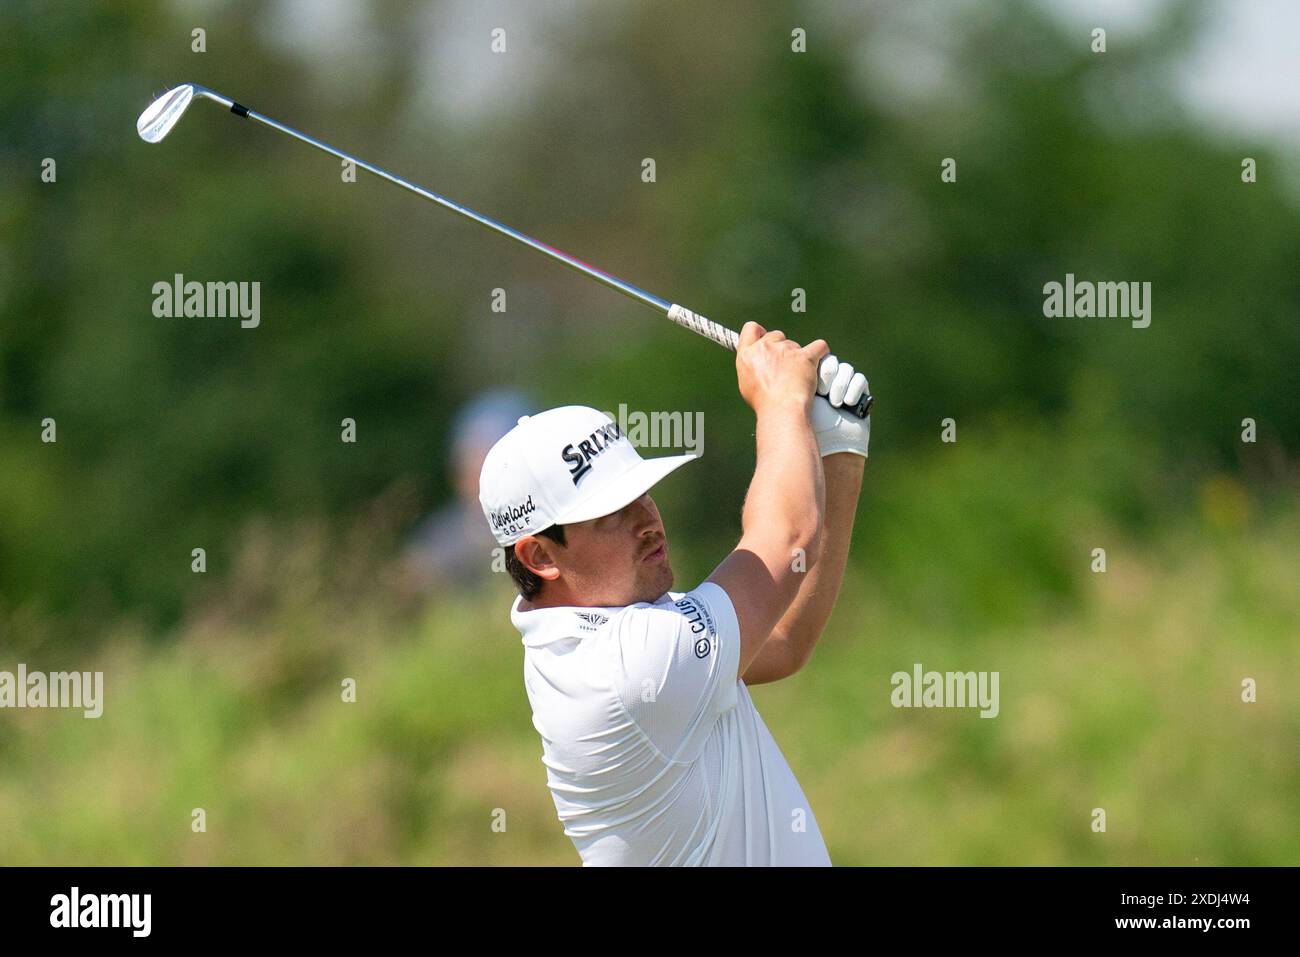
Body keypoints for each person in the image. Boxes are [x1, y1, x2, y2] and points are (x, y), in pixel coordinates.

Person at [477, 323, 869, 865]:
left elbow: (781, 640)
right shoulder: (630, 665)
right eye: (612, 513)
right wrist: (780, 402)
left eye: (642, 493)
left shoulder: (613, 631)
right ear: (540, 556)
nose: (648, 521)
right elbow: (787, 537)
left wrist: (838, 447)